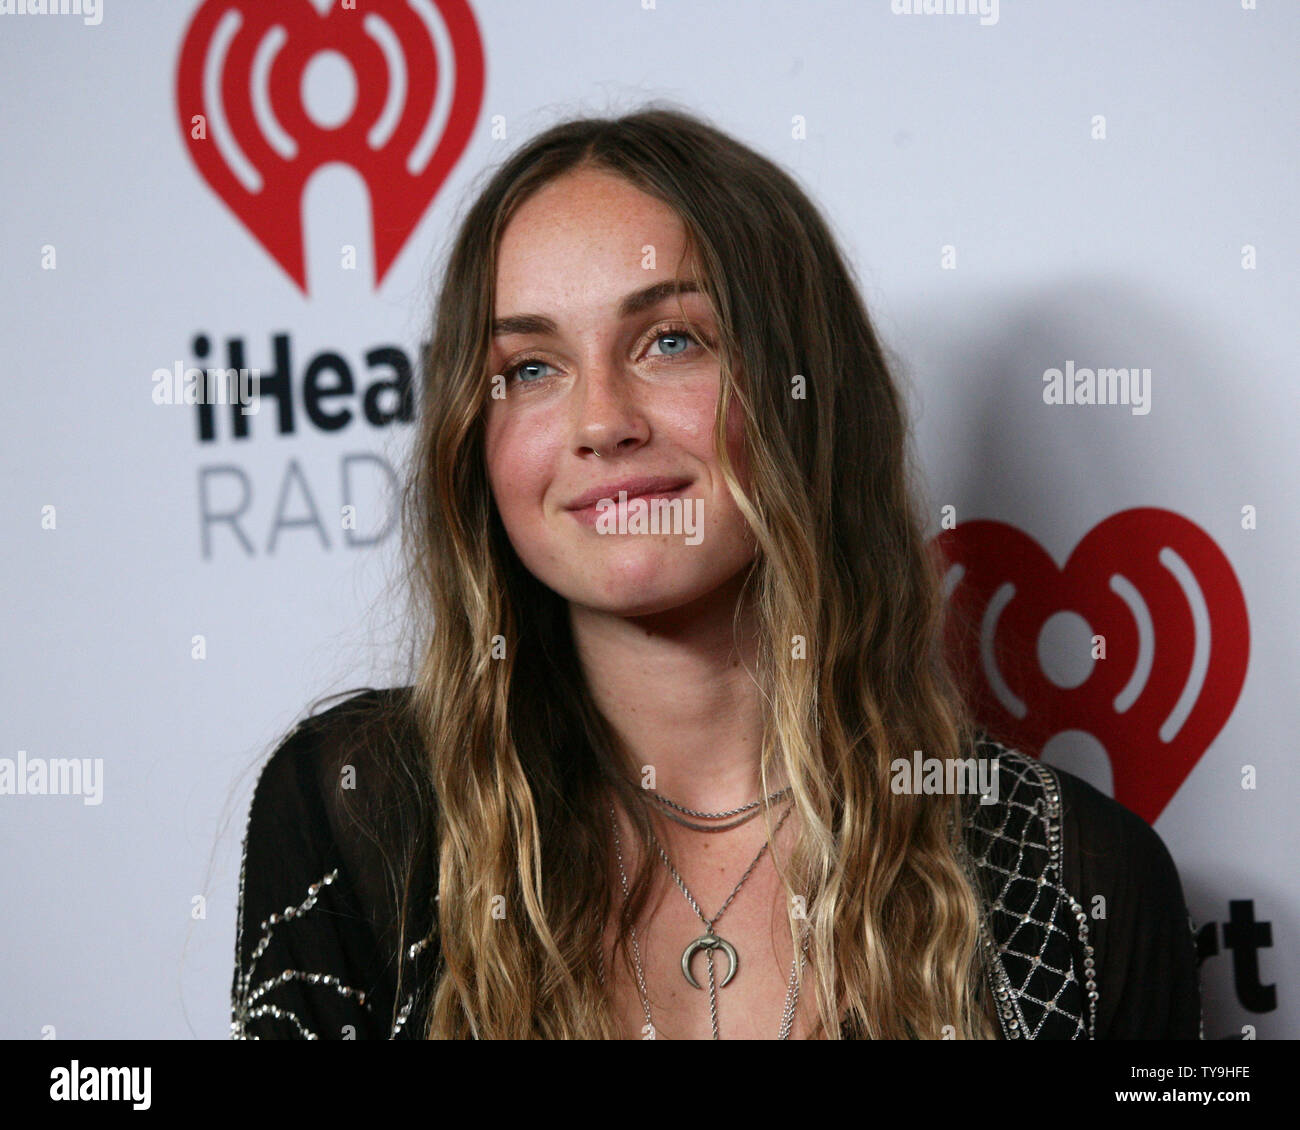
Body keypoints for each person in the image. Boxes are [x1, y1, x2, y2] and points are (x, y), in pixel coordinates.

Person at [231, 106, 1202, 1040]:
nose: (600, 420)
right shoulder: (362, 810)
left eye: (670, 340)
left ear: (802, 394)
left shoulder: (1078, 886)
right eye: (529, 366)